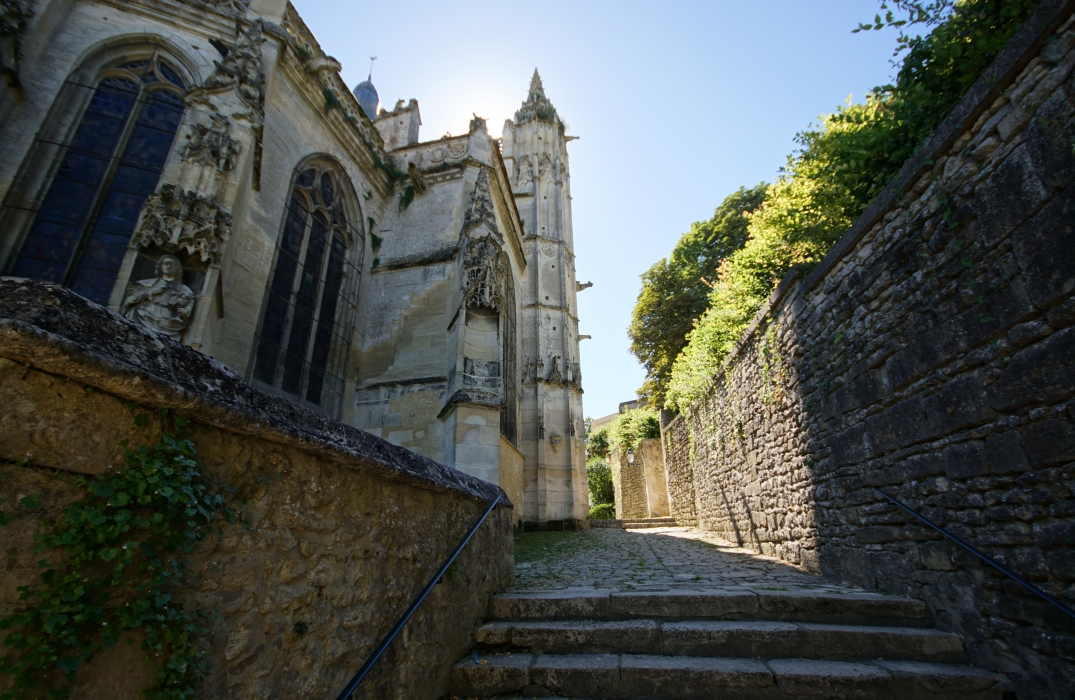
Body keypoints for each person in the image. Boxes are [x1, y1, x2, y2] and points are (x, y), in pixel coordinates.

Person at [122, 254, 195, 340]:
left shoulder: (185, 290)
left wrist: (184, 312)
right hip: (144, 316)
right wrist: (151, 292)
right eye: (166, 264)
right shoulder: (147, 284)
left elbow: (188, 309)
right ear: (160, 266)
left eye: (172, 264)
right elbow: (131, 299)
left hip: (168, 322)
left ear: (178, 269)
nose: (169, 266)